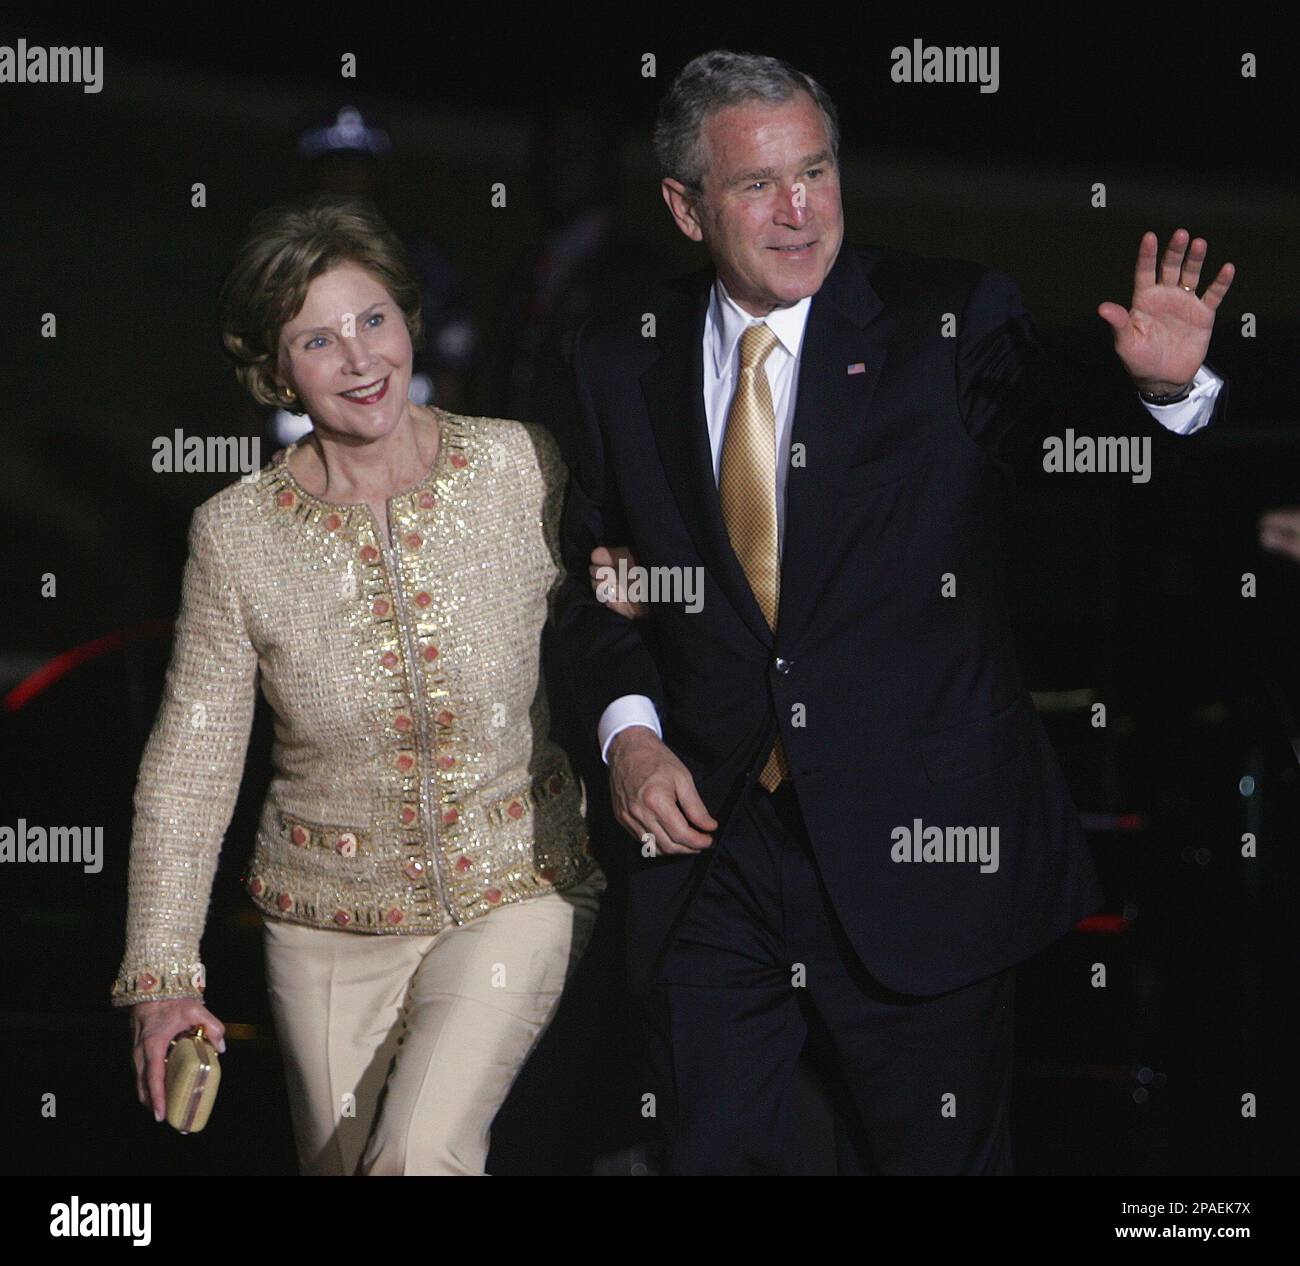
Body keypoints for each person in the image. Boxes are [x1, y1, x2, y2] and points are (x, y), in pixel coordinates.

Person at [553, 49, 1232, 1174]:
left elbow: (1061, 450)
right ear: (683, 206)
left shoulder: (947, 320)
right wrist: (629, 739)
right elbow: (590, 577)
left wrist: (1159, 394)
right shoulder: (619, 355)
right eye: (758, 184)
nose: (799, 208)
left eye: (815, 171)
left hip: (920, 856)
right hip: (710, 855)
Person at [110, 195, 604, 1176]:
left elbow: (618, 627)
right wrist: (162, 979)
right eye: (317, 340)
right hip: (322, 924)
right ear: (272, 370)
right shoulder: (236, 536)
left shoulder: (519, 466)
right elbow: (192, 765)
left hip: (518, 885)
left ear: (409, 319)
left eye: (373, 319)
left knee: (417, 1156)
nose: (360, 359)